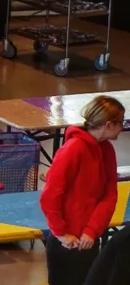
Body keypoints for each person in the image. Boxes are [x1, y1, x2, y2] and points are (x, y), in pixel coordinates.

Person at [40, 95, 124, 285]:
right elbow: (50, 197)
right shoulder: (72, 150)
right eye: (121, 122)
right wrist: (61, 233)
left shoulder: (107, 150)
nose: (123, 127)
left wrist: (91, 231)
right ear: (109, 124)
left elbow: (110, 194)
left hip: (89, 240)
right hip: (66, 242)